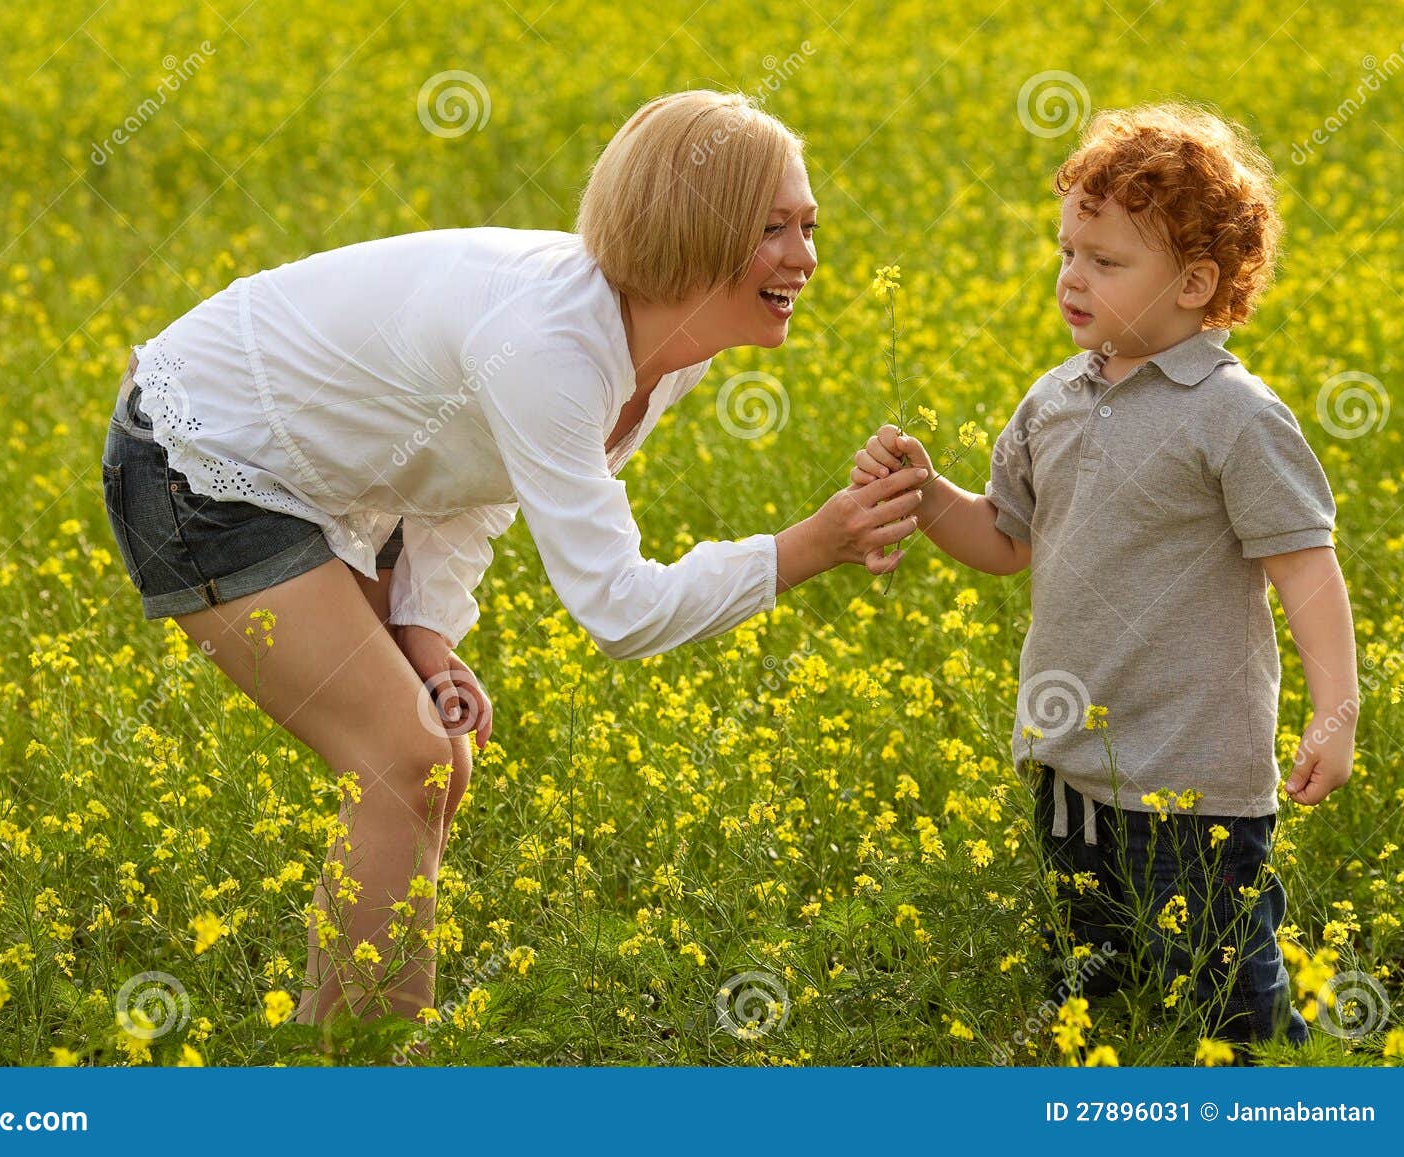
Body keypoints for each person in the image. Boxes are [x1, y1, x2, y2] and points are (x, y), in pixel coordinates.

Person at [100, 89, 929, 1027]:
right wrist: (810, 545)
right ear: (694, 231)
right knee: (402, 757)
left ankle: (354, 1057)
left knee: (436, 758)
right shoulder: (553, 343)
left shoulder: (671, 343)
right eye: (773, 228)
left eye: (809, 226)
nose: (805, 257)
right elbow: (620, 610)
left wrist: (425, 628)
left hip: (331, 472)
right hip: (201, 457)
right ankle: (365, 1079)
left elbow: (477, 476)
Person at [853, 103, 1356, 1048]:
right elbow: (1007, 539)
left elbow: (1305, 568)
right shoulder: (1055, 396)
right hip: (1069, 763)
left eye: (1106, 260)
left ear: (1195, 284)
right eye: (1066, 251)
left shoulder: (1233, 415)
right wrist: (926, 495)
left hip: (1194, 780)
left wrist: (1337, 711)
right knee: (1093, 979)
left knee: (1221, 994)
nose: (1071, 277)